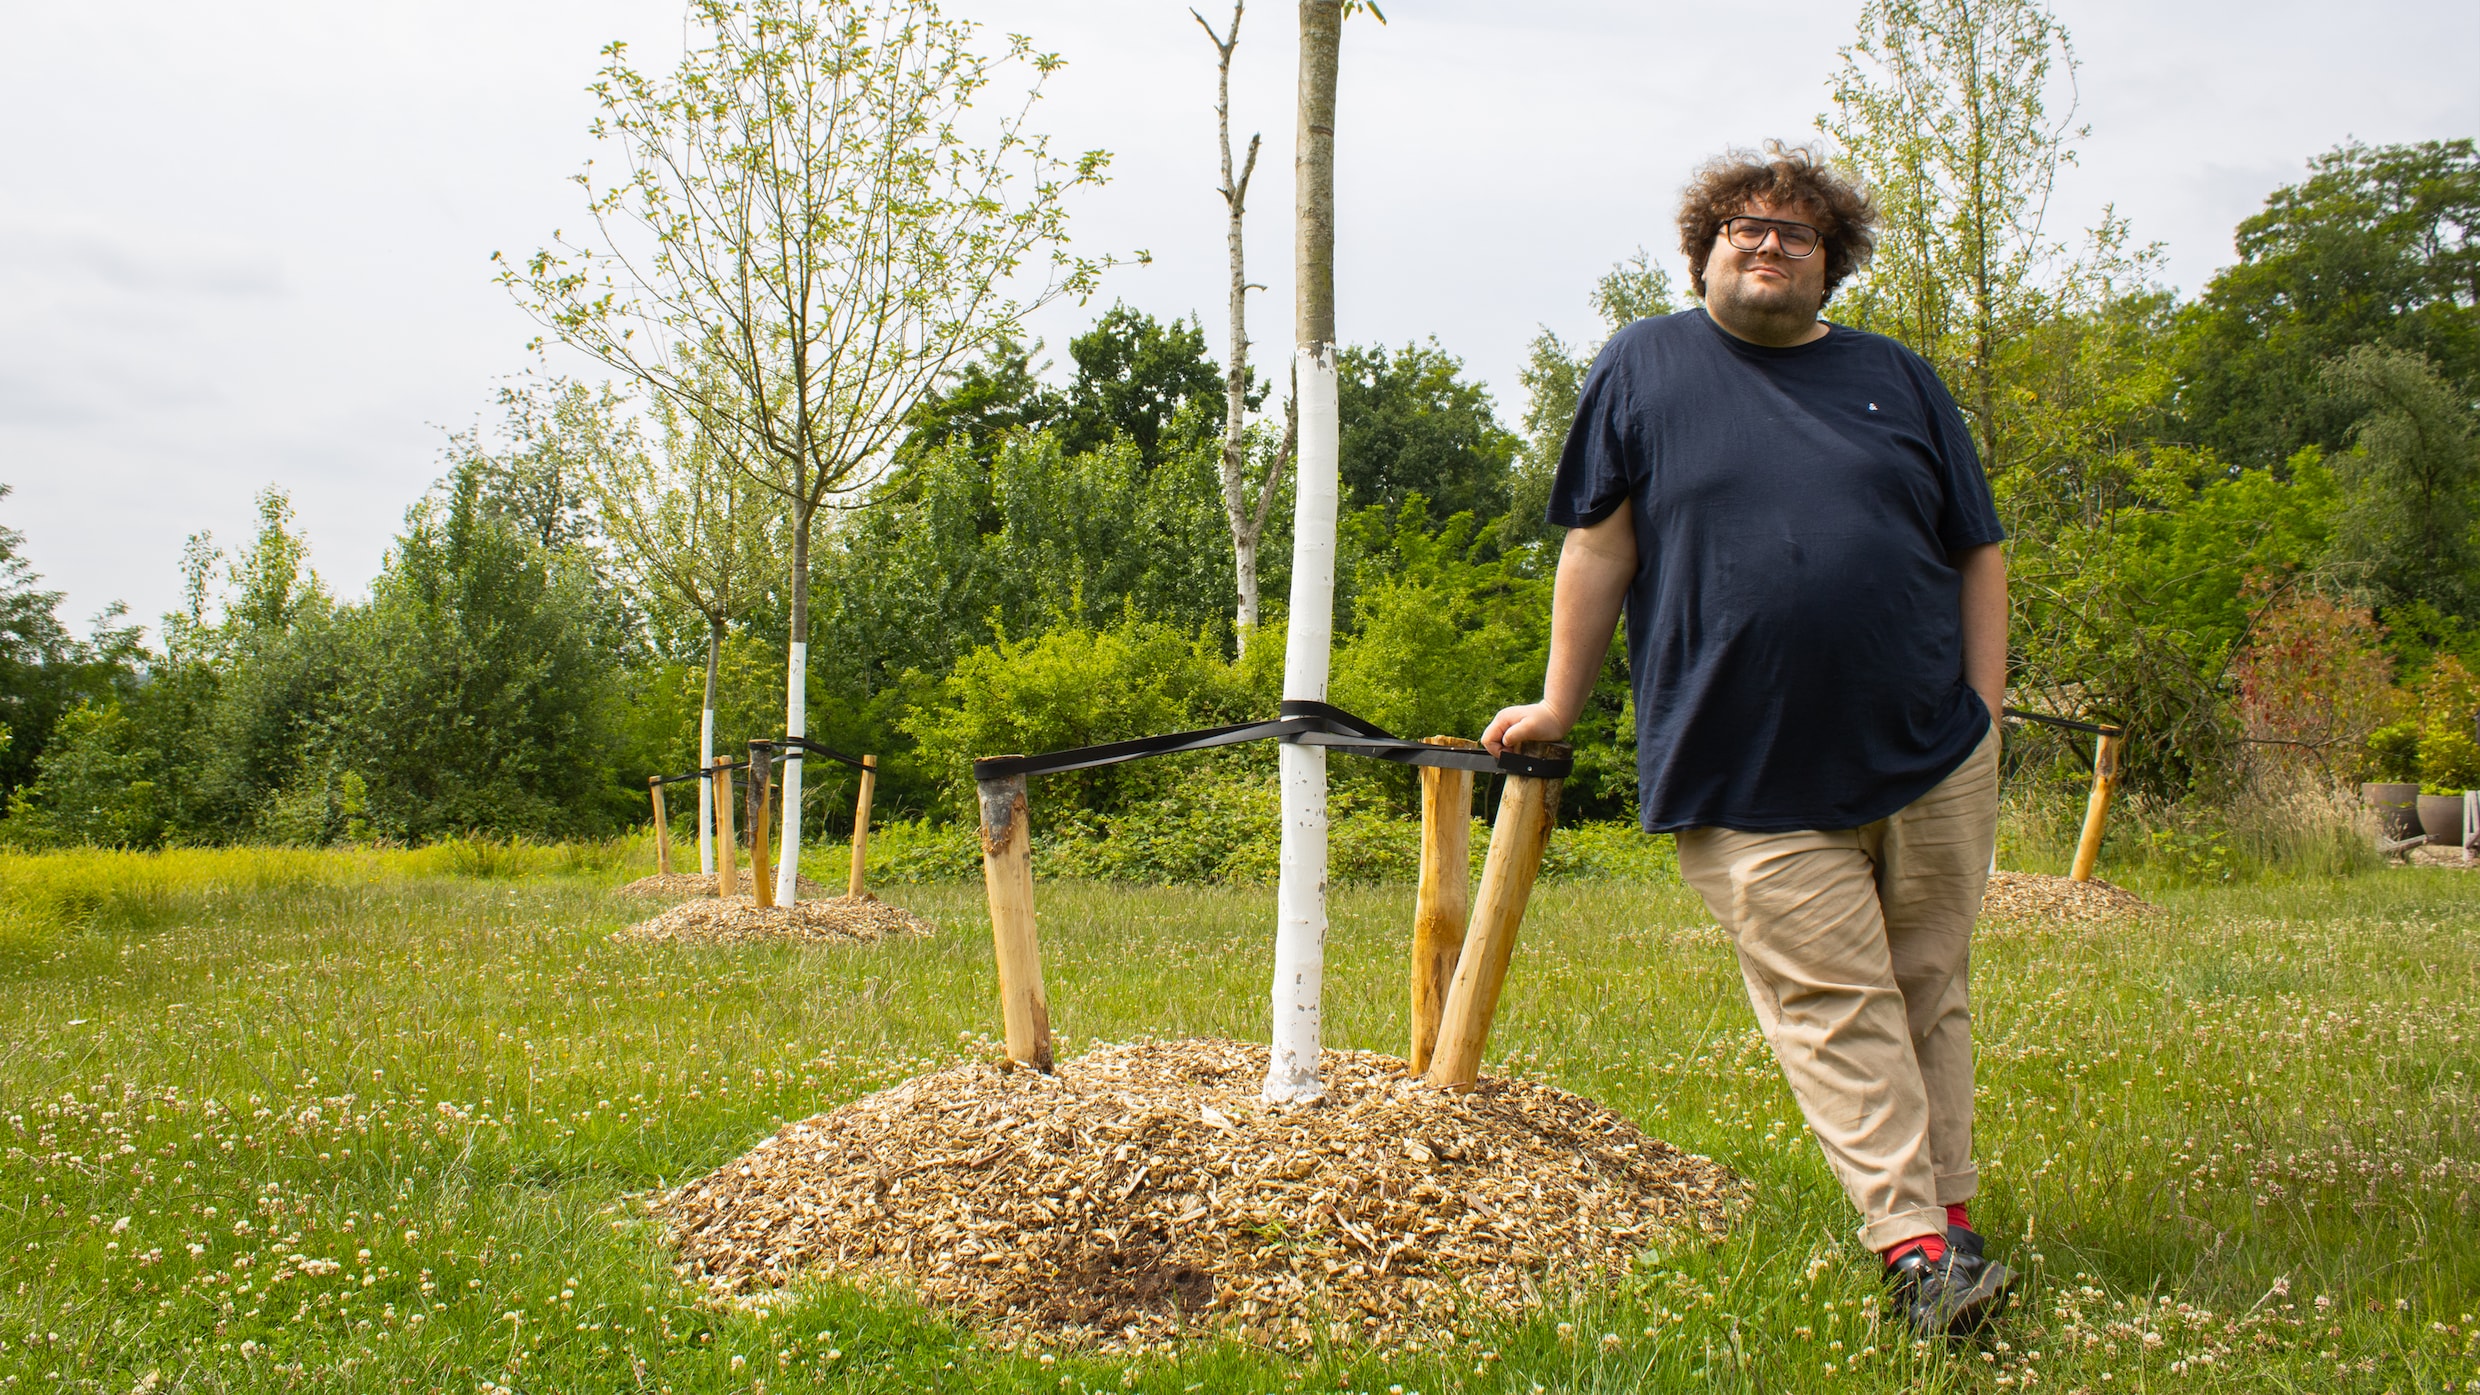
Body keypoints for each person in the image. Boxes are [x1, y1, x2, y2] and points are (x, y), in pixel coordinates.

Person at [1482, 142, 2016, 1338]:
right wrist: (1557, 705)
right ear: (1703, 252)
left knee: (1926, 988)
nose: (1768, 246)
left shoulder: (1897, 377)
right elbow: (1598, 545)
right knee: (1833, 1001)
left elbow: (1973, 547)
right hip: (1740, 762)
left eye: (1795, 234)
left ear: (1829, 265)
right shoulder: (1644, 363)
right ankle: (1914, 1247)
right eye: (1745, 229)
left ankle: (1950, 1220)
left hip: (1929, 750)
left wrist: (1983, 707)